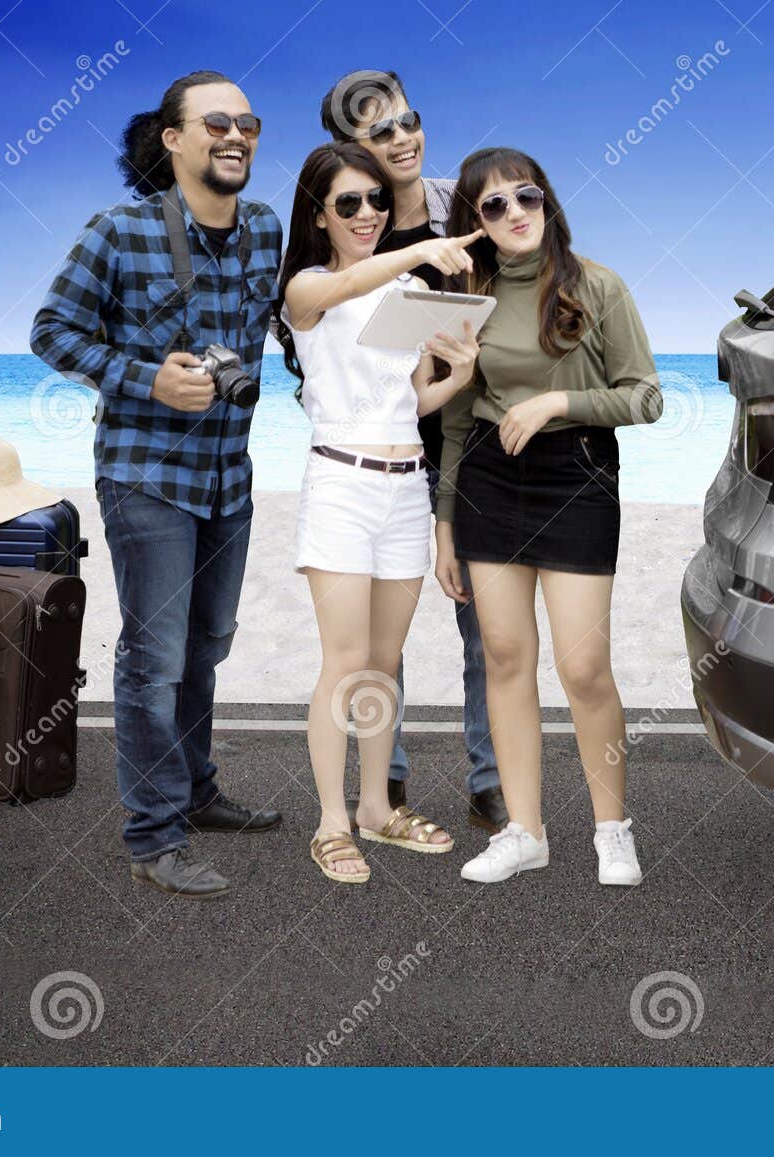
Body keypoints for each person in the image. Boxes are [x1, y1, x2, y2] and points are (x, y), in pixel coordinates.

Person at [30, 71, 282, 899]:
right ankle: (153, 835)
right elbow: (51, 331)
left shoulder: (265, 231)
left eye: (247, 121)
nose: (236, 133)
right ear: (172, 139)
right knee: (153, 658)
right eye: (216, 121)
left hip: (227, 477)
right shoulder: (118, 231)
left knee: (207, 646)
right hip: (145, 476)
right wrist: (144, 377)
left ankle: (197, 789)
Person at [436, 148, 663, 886]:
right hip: (488, 482)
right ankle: (524, 831)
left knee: (583, 666)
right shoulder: (467, 296)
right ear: (475, 224)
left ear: (547, 201)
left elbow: (645, 396)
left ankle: (612, 828)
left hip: (578, 474)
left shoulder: (598, 285)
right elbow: (458, 418)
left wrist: (556, 402)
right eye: (493, 207)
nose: (514, 214)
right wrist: (444, 522)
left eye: (525, 196)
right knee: (504, 657)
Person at [271, 142, 485, 883]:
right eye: (348, 203)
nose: (367, 214)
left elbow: (410, 399)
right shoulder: (305, 288)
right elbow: (346, 286)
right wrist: (419, 249)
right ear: (320, 215)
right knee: (344, 661)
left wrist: (455, 377)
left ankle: (373, 808)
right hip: (340, 485)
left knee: (384, 664)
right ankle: (330, 821)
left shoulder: (403, 296)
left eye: (376, 201)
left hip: (404, 485)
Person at [320, 69, 507, 833]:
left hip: (472, 437)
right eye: (380, 131)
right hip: (382, 451)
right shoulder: (344, 219)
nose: (402, 139)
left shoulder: (462, 208)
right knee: (376, 641)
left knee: (485, 625)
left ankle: (490, 778)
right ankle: (383, 781)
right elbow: (310, 329)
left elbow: (517, 284)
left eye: (408, 122)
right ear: (349, 149)